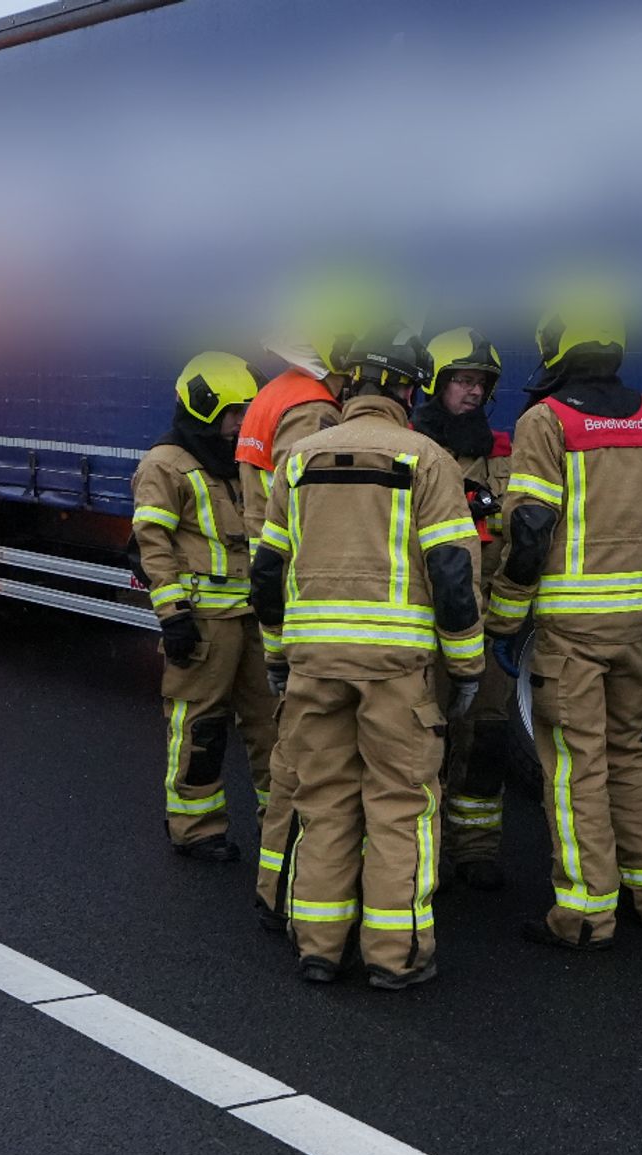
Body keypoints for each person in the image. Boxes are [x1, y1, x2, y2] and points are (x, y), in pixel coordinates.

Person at [249, 327, 484, 990]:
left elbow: (267, 573)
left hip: (313, 664)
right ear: (408, 389)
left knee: (322, 800)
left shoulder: (297, 460)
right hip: (396, 669)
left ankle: (318, 947)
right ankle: (394, 956)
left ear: (349, 385)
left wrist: (276, 657)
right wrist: (465, 668)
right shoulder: (428, 459)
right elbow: (452, 576)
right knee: (400, 807)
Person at [485, 308, 642, 948]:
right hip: (635, 623)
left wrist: (505, 617)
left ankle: (583, 915)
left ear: (557, 345)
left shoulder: (547, 421)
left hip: (572, 628)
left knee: (576, 768)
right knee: (630, 753)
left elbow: (528, 533)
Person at [130, 352, 275, 860]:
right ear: (203, 407)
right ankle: (196, 829)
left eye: (247, 411)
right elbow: (152, 545)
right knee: (202, 729)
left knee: (273, 724)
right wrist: (173, 617)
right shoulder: (165, 465)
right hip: (204, 624)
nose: (241, 423)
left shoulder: (241, 462)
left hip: (254, 619)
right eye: (233, 412)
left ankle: (282, 828)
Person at [237, 334, 348, 929]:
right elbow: (317, 512)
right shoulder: (313, 409)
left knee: (290, 757)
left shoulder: (276, 392)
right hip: (305, 597)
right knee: (311, 763)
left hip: (277, 592)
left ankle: (273, 887)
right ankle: (299, 896)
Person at [414, 328, 513, 891]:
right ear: (435, 383)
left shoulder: (505, 453)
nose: (473, 393)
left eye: (481, 384)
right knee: (422, 741)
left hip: (488, 620)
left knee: (486, 739)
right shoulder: (408, 449)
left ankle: (475, 849)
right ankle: (418, 857)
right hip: (422, 624)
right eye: (462, 381)